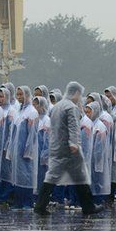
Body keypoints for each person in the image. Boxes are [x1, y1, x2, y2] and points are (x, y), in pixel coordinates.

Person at [34, 82, 97, 216]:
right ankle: (89, 207)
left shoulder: (57, 106)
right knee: (80, 177)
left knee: (53, 177)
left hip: (57, 146)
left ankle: (40, 205)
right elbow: (74, 127)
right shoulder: (71, 107)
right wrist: (74, 144)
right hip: (69, 148)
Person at [10, 86, 39, 210]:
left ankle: (27, 202)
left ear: (27, 95)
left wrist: (28, 151)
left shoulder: (32, 112)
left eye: (21, 94)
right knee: (18, 176)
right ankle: (18, 202)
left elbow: (32, 134)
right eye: (18, 94)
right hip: (17, 151)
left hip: (25, 151)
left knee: (26, 176)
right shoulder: (19, 111)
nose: (19, 97)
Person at [87, 102, 111, 204]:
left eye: (89, 112)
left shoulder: (100, 126)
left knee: (97, 180)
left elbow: (99, 147)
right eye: (86, 112)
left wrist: (97, 159)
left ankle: (98, 200)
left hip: (96, 159)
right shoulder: (88, 124)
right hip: (89, 159)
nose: (87, 114)